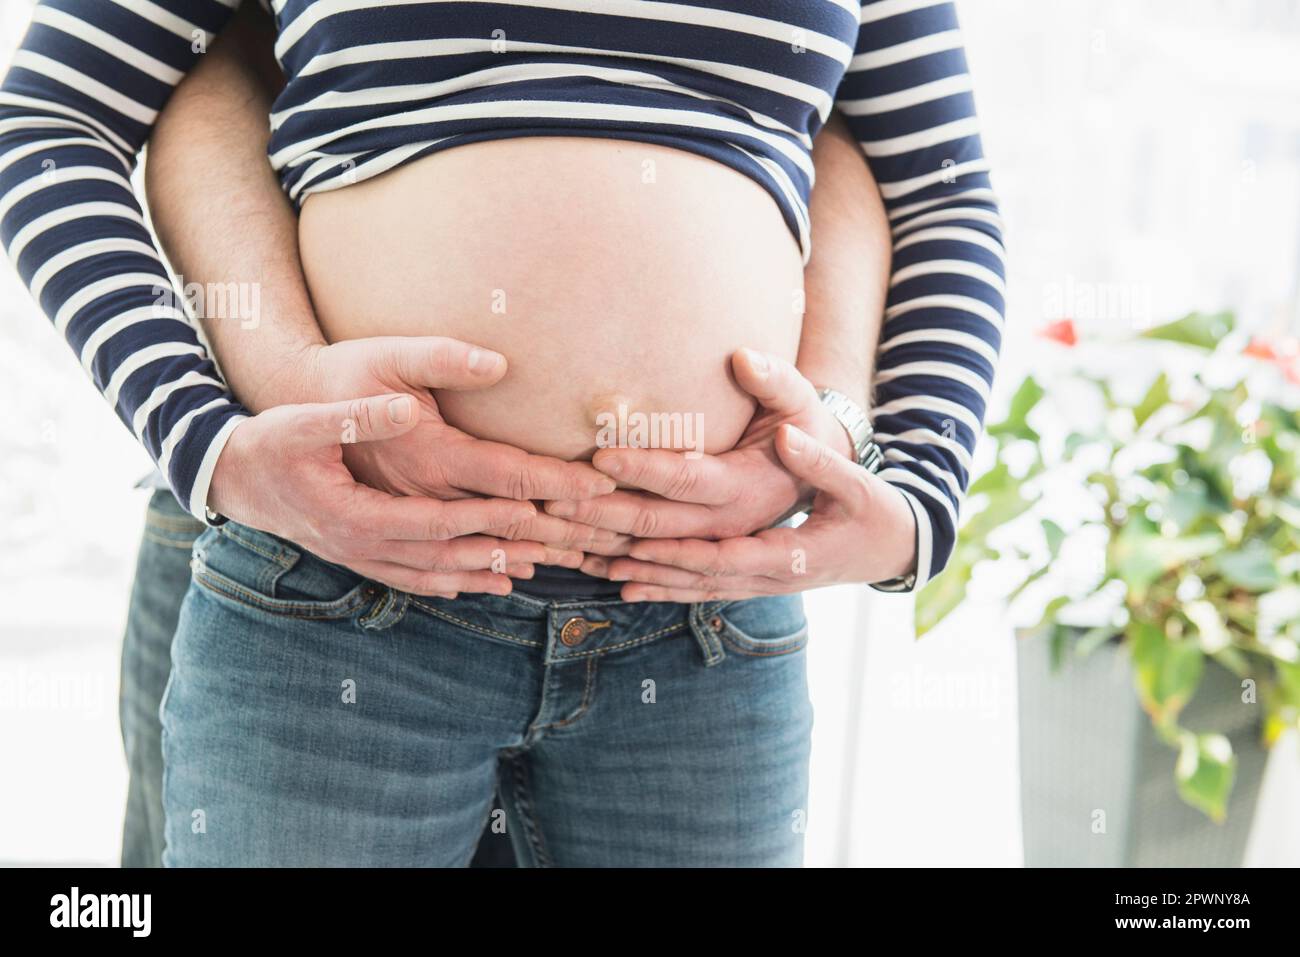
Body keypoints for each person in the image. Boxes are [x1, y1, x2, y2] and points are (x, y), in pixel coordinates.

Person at [1, 0, 1004, 865]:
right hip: (339, 593)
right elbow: (54, 116)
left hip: (701, 629)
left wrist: (912, 489)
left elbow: (937, 187)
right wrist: (206, 441)